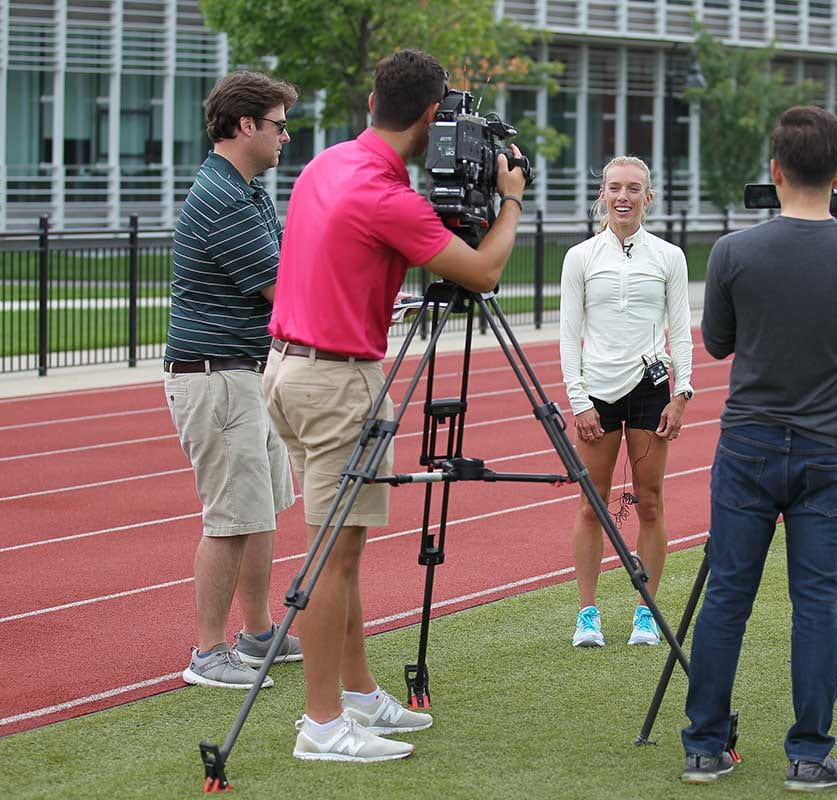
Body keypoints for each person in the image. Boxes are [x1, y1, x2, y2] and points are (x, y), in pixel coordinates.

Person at [263, 49, 527, 763]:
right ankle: (322, 725)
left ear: (375, 101)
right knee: (331, 558)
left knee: (341, 547)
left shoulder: (328, 164)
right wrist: (509, 201)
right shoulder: (388, 196)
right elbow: (484, 270)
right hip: (333, 379)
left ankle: (354, 694)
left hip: (291, 369)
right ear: (435, 117)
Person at [681, 106, 837, 790]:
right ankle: (810, 755)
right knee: (816, 601)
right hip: (827, 447)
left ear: (775, 172)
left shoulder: (732, 253)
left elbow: (717, 343)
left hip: (748, 442)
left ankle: (705, 747)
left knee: (726, 598)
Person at [165, 71, 303, 690]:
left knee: (261, 509)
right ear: (245, 125)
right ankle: (207, 652)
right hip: (217, 377)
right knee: (230, 516)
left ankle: (256, 633)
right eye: (277, 124)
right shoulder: (221, 196)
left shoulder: (246, 190)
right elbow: (284, 293)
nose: (285, 136)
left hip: (244, 373)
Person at [559, 155, 694, 649]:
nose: (623, 196)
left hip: (650, 392)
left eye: (633, 188)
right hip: (596, 392)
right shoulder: (580, 257)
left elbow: (680, 331)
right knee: (592, 505)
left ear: (648, 197)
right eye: (614, 187)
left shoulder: (669, 257)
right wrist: (578, 401)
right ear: (602, 194)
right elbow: (568, 335)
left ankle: (646, 613)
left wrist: (681, 393)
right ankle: (588, 614)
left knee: (650, 502)